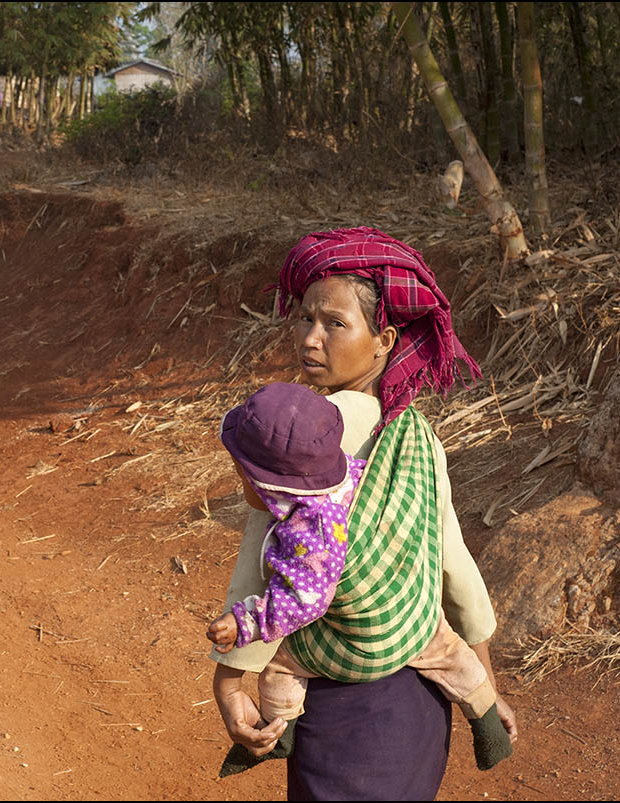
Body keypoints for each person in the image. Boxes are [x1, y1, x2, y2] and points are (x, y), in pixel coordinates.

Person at [210, 227, 518, 800]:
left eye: (335, 323)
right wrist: (484, 684)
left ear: (384, 341)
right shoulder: (420, 435)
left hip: (340, 703)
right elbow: (454, 568)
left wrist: (230, 682)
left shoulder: (300, 439)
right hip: (419, 704)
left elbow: (266, 570)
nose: (311, 338)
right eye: (304, 318)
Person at [206, 381, 511, 777]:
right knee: (452, 653)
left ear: (269, 485)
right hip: (413, 620)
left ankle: (277, 735)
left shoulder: (305, 530)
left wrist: (244, 626)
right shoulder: (371, 455)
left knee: (281, 666)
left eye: (242, 475)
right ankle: (488, 726)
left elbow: (303, 600)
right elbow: (452, 559)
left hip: (362, 650)